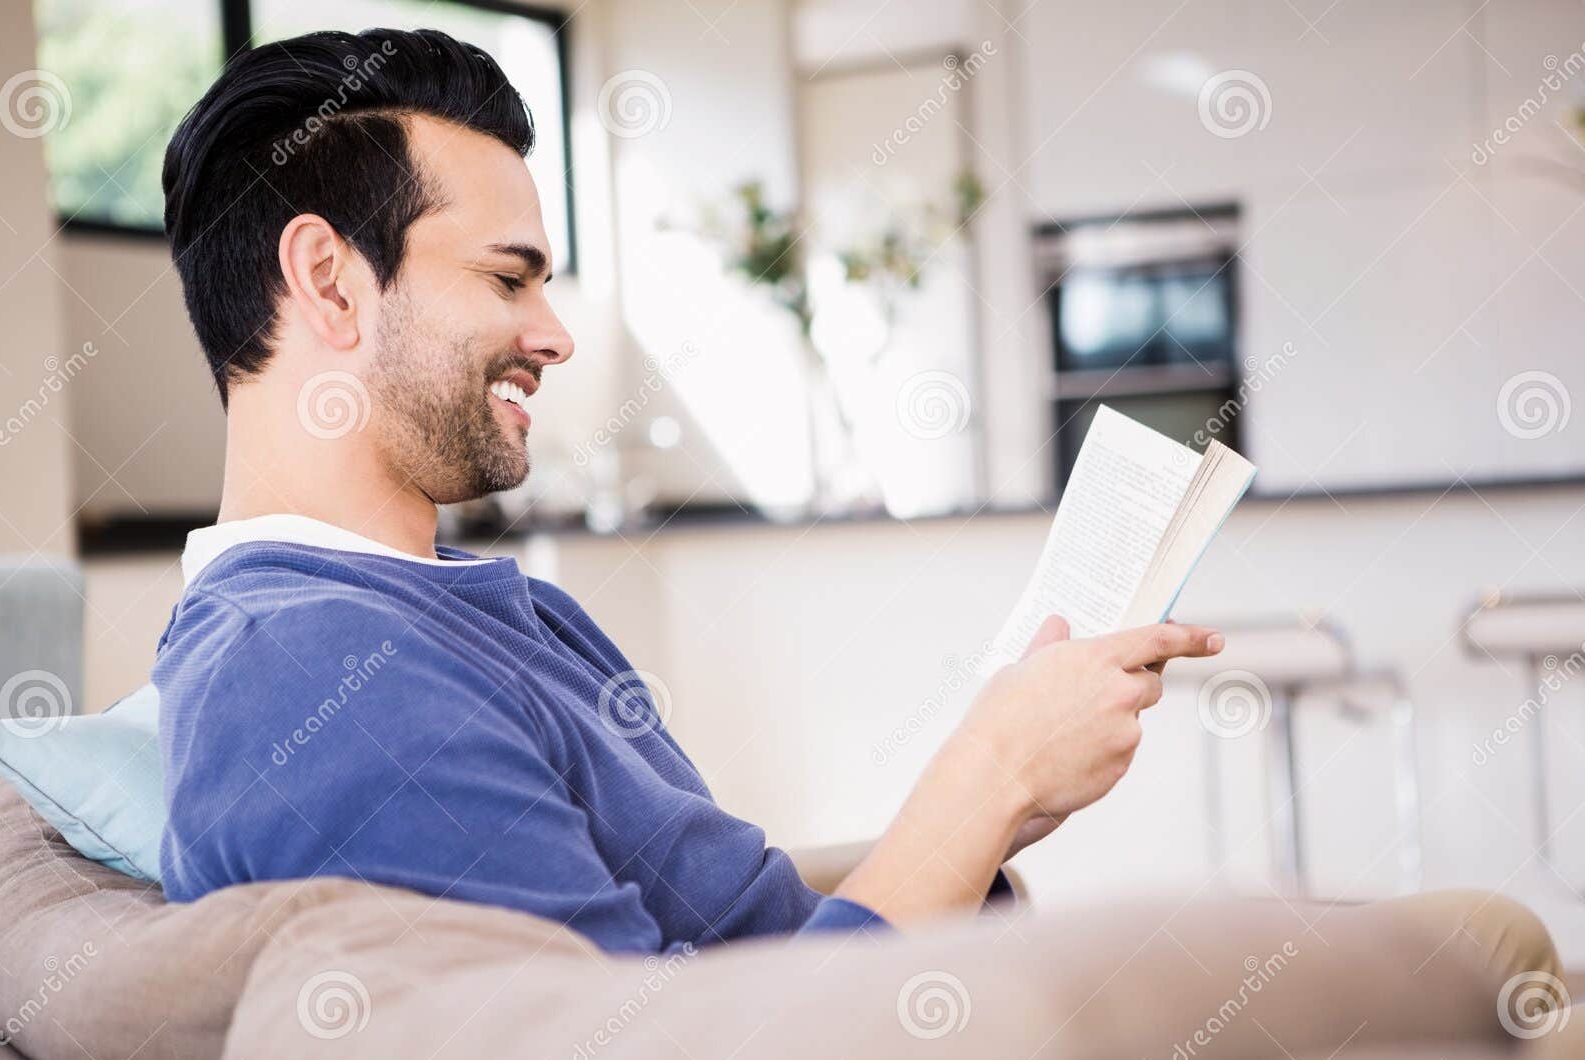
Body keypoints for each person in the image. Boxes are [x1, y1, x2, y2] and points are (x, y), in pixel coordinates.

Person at [155, 26, 1233, 954]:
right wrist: (987, 770)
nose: (556, 333)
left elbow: (733, 950)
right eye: (505, 276)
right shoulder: (315, 673)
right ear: (329, 280)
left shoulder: (501, 609)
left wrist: (1006, 791)